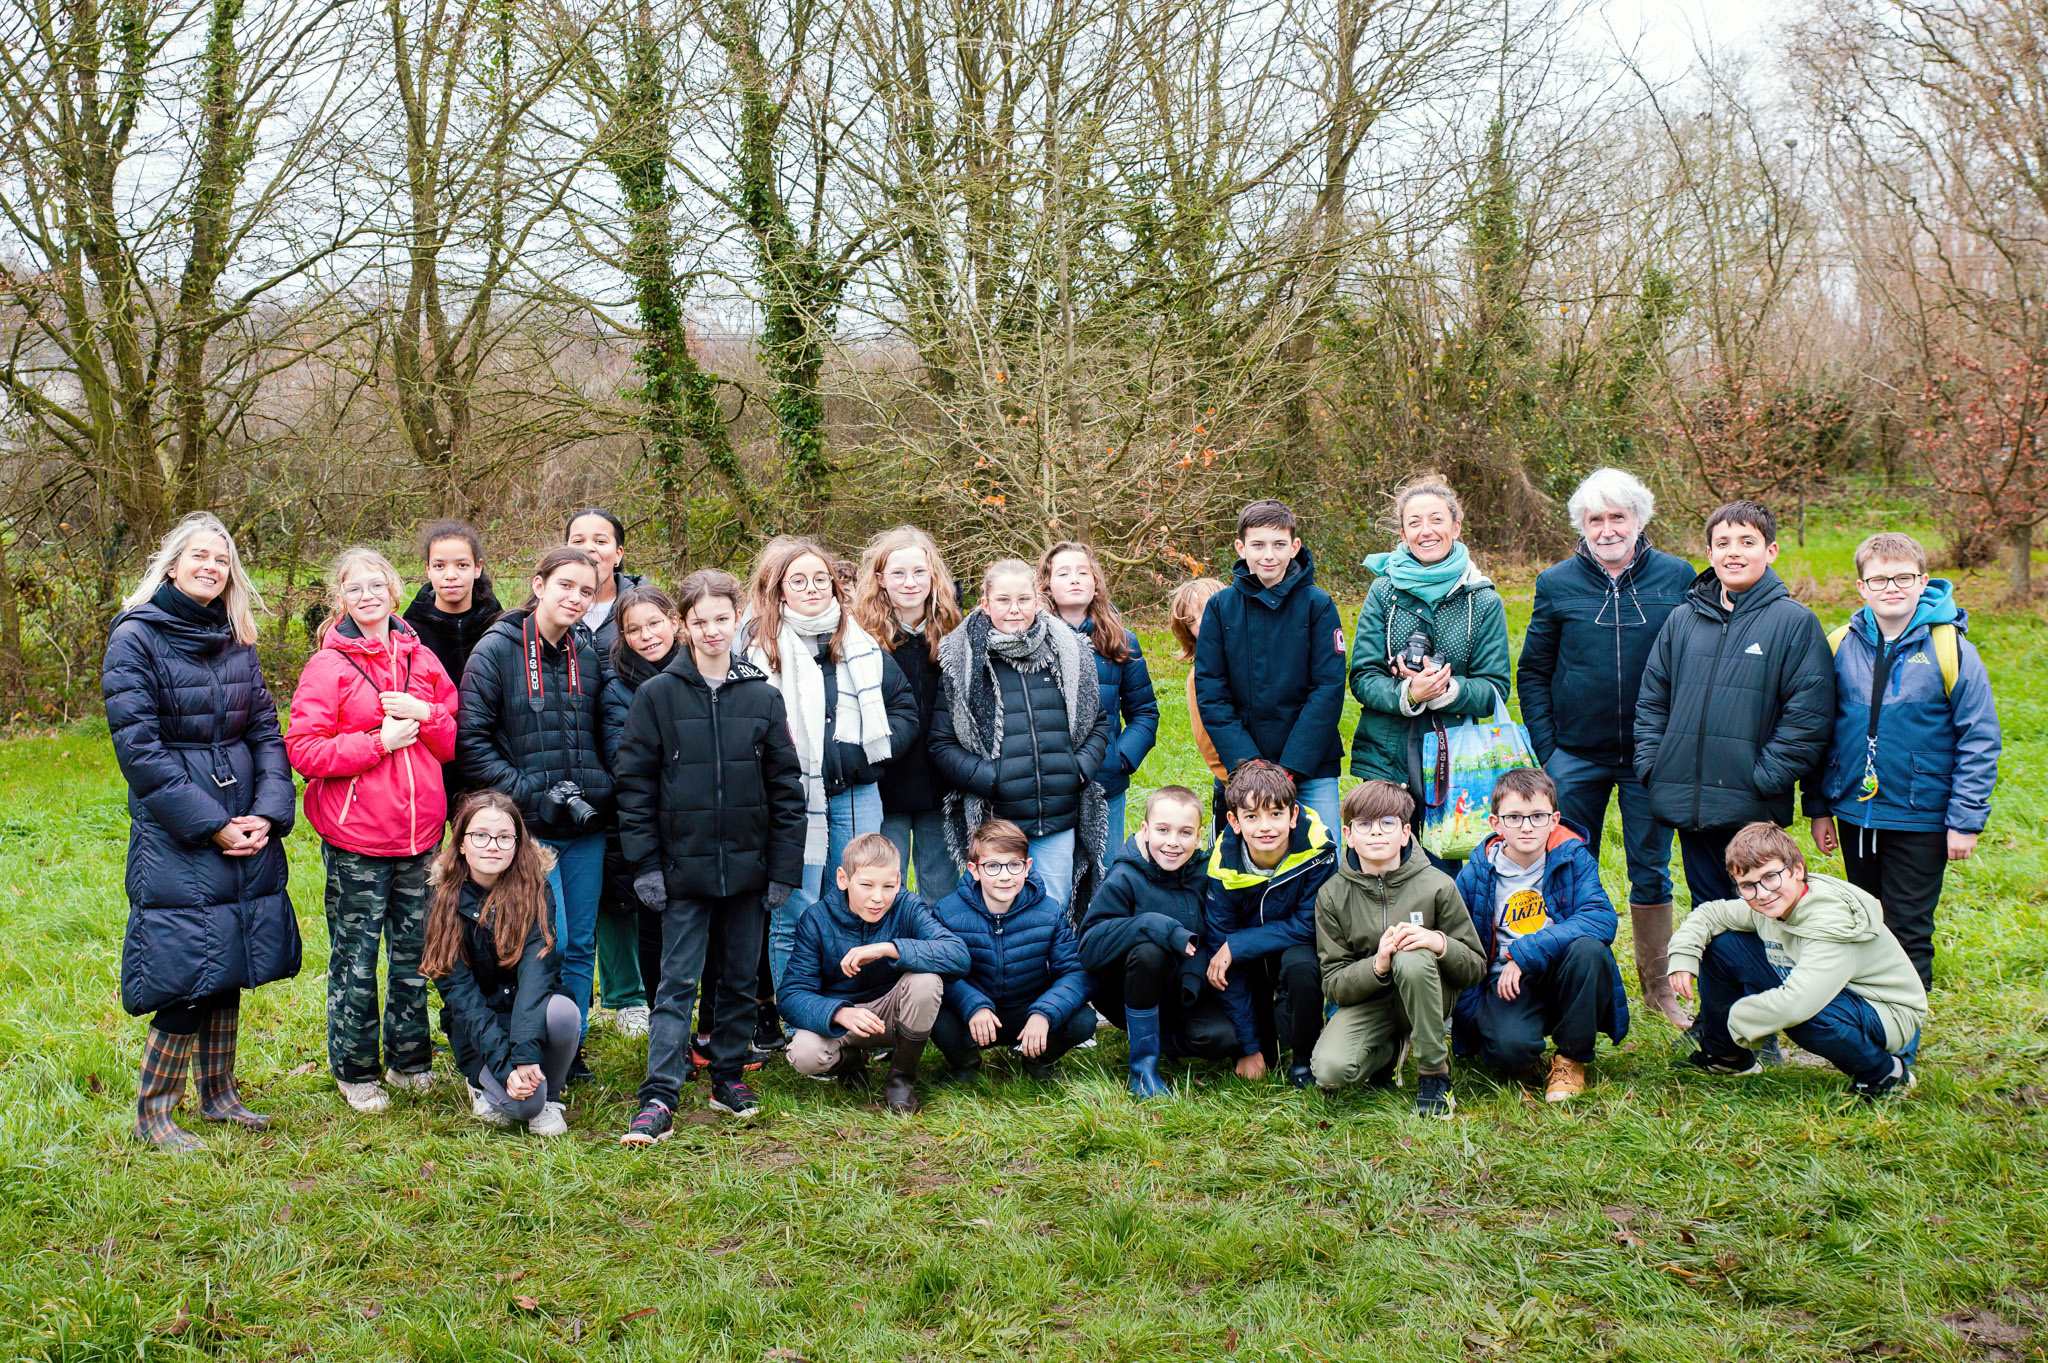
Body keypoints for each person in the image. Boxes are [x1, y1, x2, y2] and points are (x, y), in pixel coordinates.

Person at [103, 512, 299, 1152]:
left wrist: (266, 814)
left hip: (246, 815)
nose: (211, 566)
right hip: (179, 827)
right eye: (199, 555)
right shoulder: (135, 637)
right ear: (171, 563)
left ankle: (219, 1095)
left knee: (233, 957)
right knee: (186, 965)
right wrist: (212, 826)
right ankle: (155, 1112)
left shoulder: (236, 637)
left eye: (222, 558)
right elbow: (140, 750)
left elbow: (265, 732)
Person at [616, 570, 807, 1140]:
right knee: (677, 983)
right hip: (682, 872)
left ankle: (728, 1072)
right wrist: (646, 865)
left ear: (736, 620)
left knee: (738, 978)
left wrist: (782, 868)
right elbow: (635, 787)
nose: (712, 630)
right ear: (684, 625)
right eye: (699, 621)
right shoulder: (657, 697)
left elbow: (786, 789)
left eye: (722, 619)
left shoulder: (762, 698)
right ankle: (660, 1093)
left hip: (749, 871)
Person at [1515, 468, 1696, 1028]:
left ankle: (1658, 986)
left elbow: (1693, 665)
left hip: (1652, 755)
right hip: (1577, 755)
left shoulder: (1678, 577)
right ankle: (1573, 974)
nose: (1608, 528)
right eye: (1596, 519)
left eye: (1618, 517)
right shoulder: (1557, 584)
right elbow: (1534, 669)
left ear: (1640, 519)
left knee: (1652, 866)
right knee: (1569, 863)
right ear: (1582, 526)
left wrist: (1673, 741)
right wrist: (1550, 750)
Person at [287, 547, 460, 1113]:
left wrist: (423, 713)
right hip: (358, 840)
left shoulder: (421, 658)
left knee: (415, 956)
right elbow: (304, 750)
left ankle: (409, 1059)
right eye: (355, 588)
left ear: (393, 590)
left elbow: (450, 735)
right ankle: (355, 1069)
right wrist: (375, 743)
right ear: (343, 598)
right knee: (357, 960)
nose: (367, 596)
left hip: (422, 839)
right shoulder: (329, 667)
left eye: (376, 585)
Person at [1807, 532, 2001, 989]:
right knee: (1865, 918)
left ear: (1923, 581)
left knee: (1908, 928)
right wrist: (1818, 808)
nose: (1891, 587)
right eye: (1879, 579)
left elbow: (1979, 738)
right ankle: (1871, 1017)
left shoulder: (1950, 649)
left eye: (1903, 577)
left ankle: (1904, 1032)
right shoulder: (1839, 645)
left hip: (1922, 817)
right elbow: (1819, 731)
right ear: (1861, 587)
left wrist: (1965, 820)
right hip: (1856, 814)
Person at [743, 536, 917, 1005]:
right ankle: (798, 1012)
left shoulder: (859, 644)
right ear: (779, 591)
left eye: (821, 579)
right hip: (791, 801)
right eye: (798, 581)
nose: (813, 588)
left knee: (860, 903)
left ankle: (862, 1008)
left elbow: (903, 711)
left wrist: (863, 756)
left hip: (856, 794)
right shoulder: (759, 651)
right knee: (796, 907)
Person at [1634, 500, 1836, 907]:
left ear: (1771, 551)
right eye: (1723, 542)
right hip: (1688, 800)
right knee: (1708, 911)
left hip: (1751, 804)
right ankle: (1714, 975)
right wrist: (1655, 765)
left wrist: (1762, 776)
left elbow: (1808, 716)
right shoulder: (1684, 619)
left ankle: (1766, 975)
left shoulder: (1793, 623)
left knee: (1762, 908)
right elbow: (1653, 699)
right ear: (1709, 553)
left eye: (1748, 541)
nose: (1734, 552)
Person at [457, 547, 614, 1046]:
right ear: (539, 584)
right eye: (565, 585)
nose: (575, 598)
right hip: (526, 826)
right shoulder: (496, 650)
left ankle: (573, 1044)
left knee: (583, 941)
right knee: (553, 940)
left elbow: (605, 733)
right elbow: (472, 743)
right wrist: (531, 797)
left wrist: (600, 790)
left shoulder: (587, 654)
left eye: (586, 591)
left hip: (584, 824)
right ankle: (534, 1041)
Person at [1668, 822, 1926, 1100]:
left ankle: (1884, 1074)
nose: (1762, 893)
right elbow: (1711, 913)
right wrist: (1684, 956)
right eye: (1748, 885)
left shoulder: (1829, 921)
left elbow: (1797, 1003)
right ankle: (1727, 1058)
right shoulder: (1768, 904)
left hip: (1888, 1014)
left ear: (1797, 870)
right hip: (1826, 990)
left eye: (1770, 877)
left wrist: (1740, 1020)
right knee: (1721, 945)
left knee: (1804, 1016)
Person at [930, 559, 1114, 914]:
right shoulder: (962, 658)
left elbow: (1098, 722)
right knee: (998, 915)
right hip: (998, 820)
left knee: (1056, 913)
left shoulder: (1069, 651)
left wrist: (1077, 770)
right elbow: (942, 743)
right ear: (985, 603)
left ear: (1038, 600)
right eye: (1003, 600)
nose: (1015, 609)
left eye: (1024, 600)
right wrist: (992, 779)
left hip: (1059, 816)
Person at [1347, 477, 1511, 874]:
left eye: (1436, 519)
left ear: (1456, 527)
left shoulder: (1483, 600)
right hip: (1386, 754)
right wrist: (1408, 692)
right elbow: (1362, 676)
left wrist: (1445, 691)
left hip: (1457, 759)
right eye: (1415, 522)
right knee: (1380, 863)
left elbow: (1495, 688)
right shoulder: (1383, 592)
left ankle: (1445, 938)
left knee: (1449, 868)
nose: (1426, 531)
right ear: (1403, 533)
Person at [1451, 768, 1630, 1103]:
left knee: (1589, 950)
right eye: (1514, 817)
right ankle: (1526, 1057)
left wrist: (1525, 952)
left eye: (1537, 816)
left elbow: (1600, 918)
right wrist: (1470, 1016)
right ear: (1496, 823)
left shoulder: (1573, 858)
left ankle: (1571, 1059)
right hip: (1506, 982)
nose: (1527, 826)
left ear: (1554, 819)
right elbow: (1461, 945)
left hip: (1563, 970)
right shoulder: (1476, 873)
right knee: (1507, 1053)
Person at [1310, 781, 1482, 1118]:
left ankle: (1434, 1073)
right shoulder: (1331, 895)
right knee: (1330, 1070)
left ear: (1405, 833)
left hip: (1429, 994)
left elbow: (1474, 966)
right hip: (1371, 1002)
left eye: (1387, 823)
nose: (1376, 834)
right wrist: (1378, 964)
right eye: (1364, 825)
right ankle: (1389, 1052)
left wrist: (1439, 943)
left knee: (1413, 955)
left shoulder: (1437, 884)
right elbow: (1332, 984)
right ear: (1349, 834)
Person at [422, 793, 578, 1137]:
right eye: (480, 835)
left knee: (565, 1012)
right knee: (523, 1106)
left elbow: (537, 977)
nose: (492, 845)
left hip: (527, 1012)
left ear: (517, 845)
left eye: (504, 837)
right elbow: (461, 996)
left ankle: (550, 1095)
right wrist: (505, 1067)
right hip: (477, 1022)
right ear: (462, 844)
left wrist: (525, 1056)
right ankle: (482, 1085)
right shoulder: (441, 899)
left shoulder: (536, 890)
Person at [779, 835, 970, 1114]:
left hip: (893, 1013)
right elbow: (791, 995)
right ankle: (850, 1062)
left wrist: (889, 949)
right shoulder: (817, 919)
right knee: (804, 1053)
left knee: (926, 981)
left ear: (899, 880)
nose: (878, 897)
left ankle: (900, 1082)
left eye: (889, 886)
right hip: (844, 1020)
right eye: (866, 885)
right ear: (844, 879)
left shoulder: (907, 906)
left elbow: (957, 955)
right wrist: (839, 1013)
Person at [1193, 501, 1346, 834]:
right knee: (1241, 870)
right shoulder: (1221, 608)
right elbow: (1211, 691)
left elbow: (1328, 689)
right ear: (1240, 547)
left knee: (1321, 861)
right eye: (1258, 545)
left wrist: (1290, 768)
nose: (1269, 555)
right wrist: (1249, 765)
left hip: (1310, 766)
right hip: (1244, 766)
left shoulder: (1318, 605)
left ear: (1294, 547)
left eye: (1278, 545)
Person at [1079, 786, 1240, 1098]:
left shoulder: (1206, 875)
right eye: (1163, 830)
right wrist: (1154, 925)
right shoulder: (1125, 875)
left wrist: (1194, 976)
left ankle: (1159, 1037)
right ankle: (1143, 1069)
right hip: (1128, 987)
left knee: (1224, 1038)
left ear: (1198, 835)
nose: (1172, 842)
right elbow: (1089, 947)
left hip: (1184, 989)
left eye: (1185, 833)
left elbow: (1213, 935)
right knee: (1149, 950)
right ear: (1145, 829)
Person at [1203, 760, 1338, 1087]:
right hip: (1250, 964)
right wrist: (1249, 1049)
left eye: (1276, 814)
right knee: (1259, 1040)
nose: (1266, 826)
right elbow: (1221, 951)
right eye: (1252, 816)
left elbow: (1309, 925)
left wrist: (1237, 945)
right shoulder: (1223, 866)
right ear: (1234, 821)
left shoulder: (1319, 850)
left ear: (1293, 815)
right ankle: (1260, 1043)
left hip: (1297, 947)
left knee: (1302, 966)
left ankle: (1304, 1059)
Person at [929, 819, 1096, 1082]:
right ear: (974, 870)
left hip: (1027, 1010)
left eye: (1014, 865)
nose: (1005, 875)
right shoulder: (947, 913)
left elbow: (1075, 972)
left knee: (1083, 1020)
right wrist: (972, 1005)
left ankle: (1037, 1057)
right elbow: (940, 971)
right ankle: (965, 1062)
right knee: (934, 1011)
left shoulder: (1048, 912)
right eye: (993, 866)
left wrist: (1044, 1012)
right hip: (974, 1015)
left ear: (1027, 867)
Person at [853, 525, 965, 900]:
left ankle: (937, 956)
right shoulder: (860, 637)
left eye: (919, 572)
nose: (909, 582)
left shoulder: (956, 631)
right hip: (886, 780)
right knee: (884, 884)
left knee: (942, 886)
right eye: (898, 574)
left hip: (941, 780)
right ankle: (886, 955)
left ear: (933, 576)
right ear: (881, 579)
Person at [598, 585, 685, 1040]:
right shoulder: (616, 686)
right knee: (651, 917)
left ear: (674, 621)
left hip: (702, 822)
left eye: (654, 623)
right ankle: (658, 1015)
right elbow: (624, 758)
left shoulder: (701, 669)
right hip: (648, 820)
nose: (647, 636)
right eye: (634, 629)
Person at [1040, 540, 1159, 842]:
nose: (1075, 579)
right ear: (1047, 585)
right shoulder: (1034, 641)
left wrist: (1120, 758)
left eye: (1083, 572)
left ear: (1095, 583)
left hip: (1106, 782)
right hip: (1047, 786)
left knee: (1104, 878)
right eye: (1064, 573)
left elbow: (1144, 712)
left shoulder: (1121, 640)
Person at [402, 520, 501, 703]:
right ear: (428, 570)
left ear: (477, 568)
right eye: (439, 566)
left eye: (462, 565)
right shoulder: (409, 633)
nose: (450, 575)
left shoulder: (499, 626)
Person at [1169, 578, 1230, 790]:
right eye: (1191, 621)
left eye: (1206, 611)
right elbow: (1209, 746)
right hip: (1239, 785)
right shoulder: (1198, 677)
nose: (1201, 624)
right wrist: (1244, 784)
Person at [564, 507, 643, 658]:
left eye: (600, 541)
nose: (588, 548)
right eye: (578, 541)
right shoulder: (547, 609)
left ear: (618, 554)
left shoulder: (649, 608)